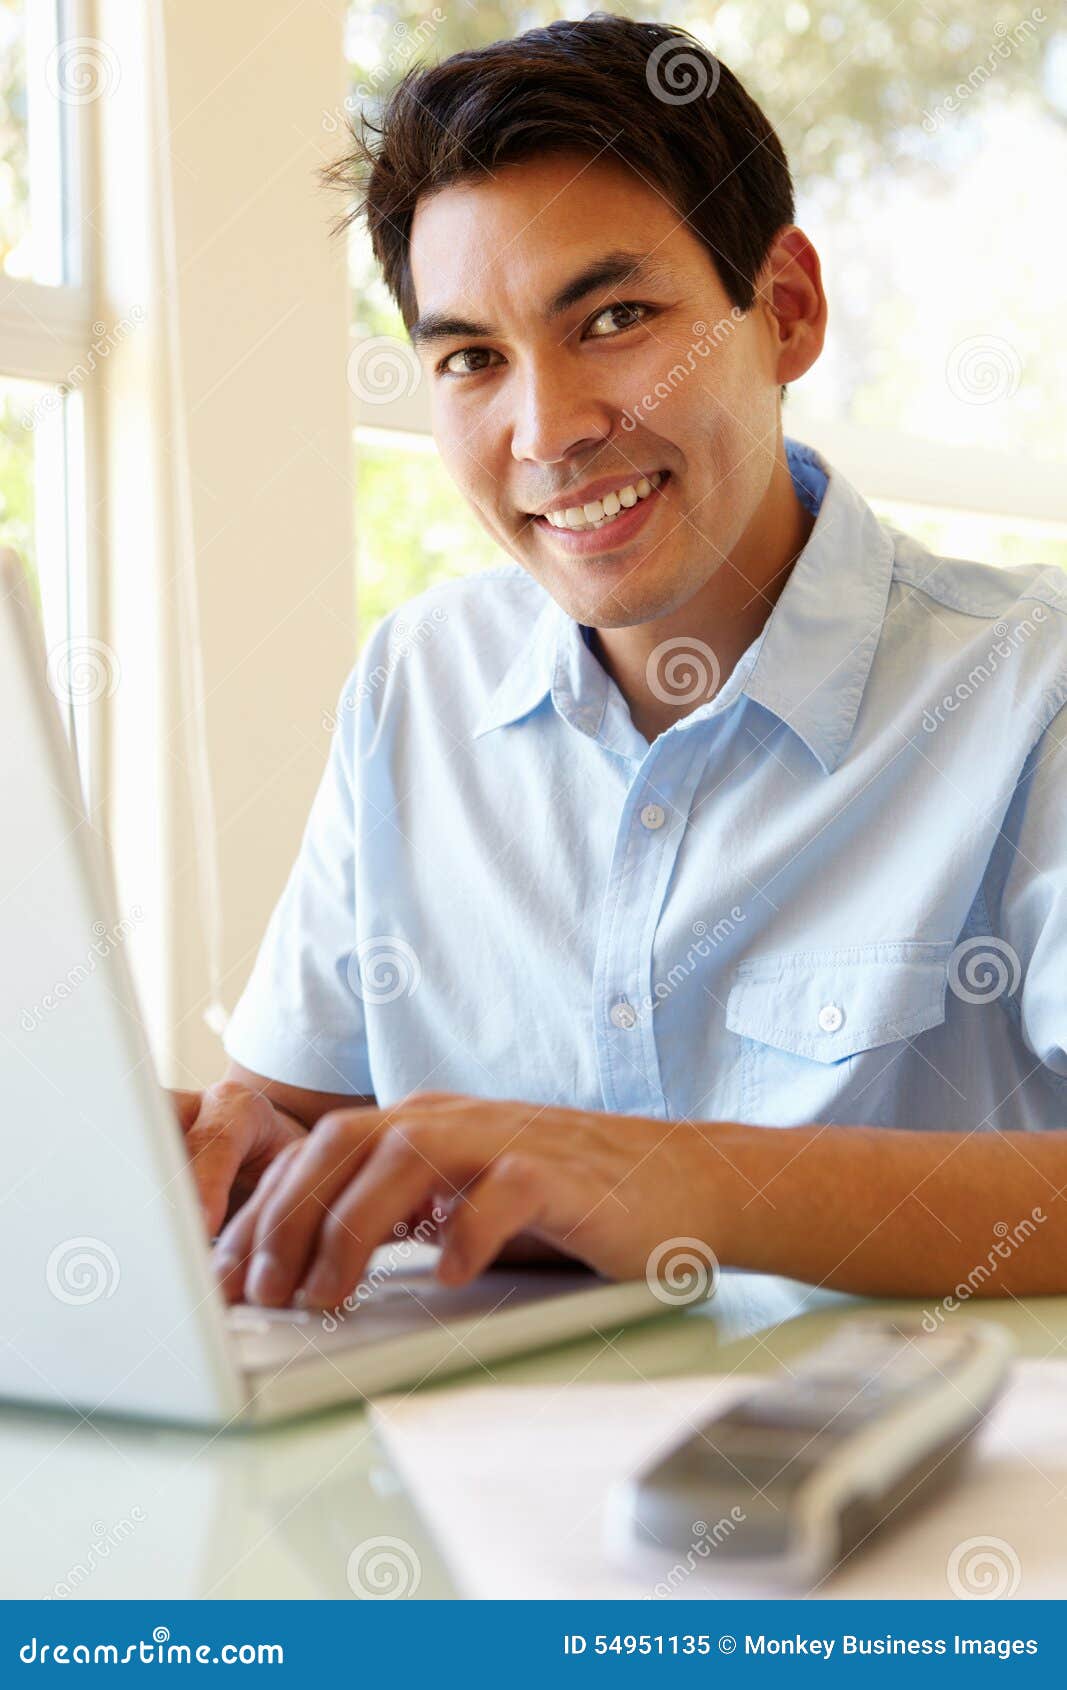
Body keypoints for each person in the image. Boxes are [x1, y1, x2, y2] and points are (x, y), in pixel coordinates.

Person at [176, 15, 1067, 1311]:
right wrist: (222, 1158)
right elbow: (293, 1116)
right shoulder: (416, 684)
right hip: (465, 1483)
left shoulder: (1030, 687)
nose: (549, 431)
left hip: (907, 1495)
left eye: (613, 317)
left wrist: (676, 1179)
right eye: (472, 357)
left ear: (788, 310)